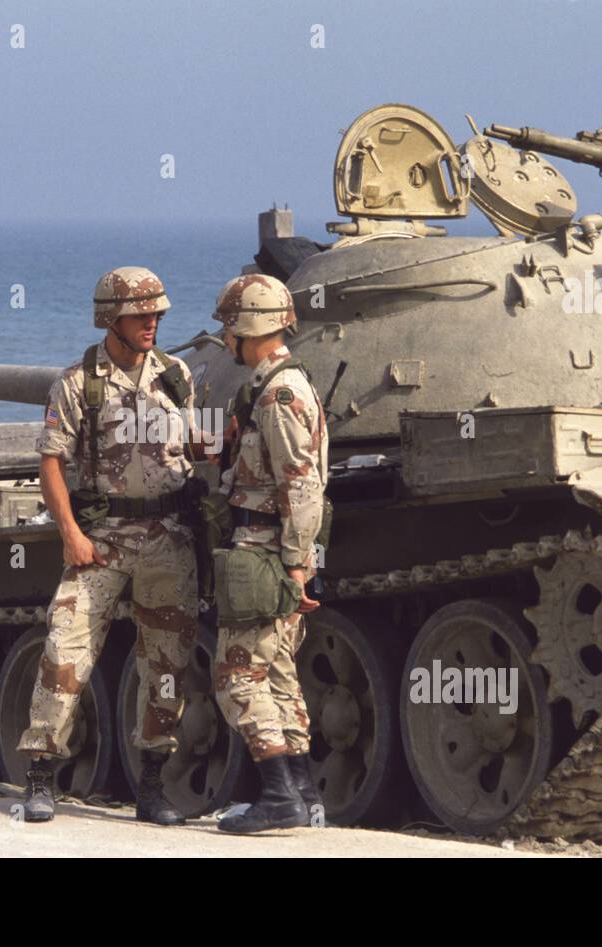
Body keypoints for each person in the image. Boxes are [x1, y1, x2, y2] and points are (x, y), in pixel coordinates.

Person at [17, 266, 203, 825]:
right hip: (103, 540)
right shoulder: (77, 384)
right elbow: (50, 461)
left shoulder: (176, 375)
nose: (152, 323)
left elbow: (190, 448)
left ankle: (151, 786)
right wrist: (70, 534)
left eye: (157, 315)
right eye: (141, 315)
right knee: (64, 652)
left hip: (169, 539)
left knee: (166, 667)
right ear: (110, 319)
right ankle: (41, 778)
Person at [210, 273, 329, 834]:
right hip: (275, 548)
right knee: (278, 672)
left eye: (229, 327)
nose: (225, 339)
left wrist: (296, 564)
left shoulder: (279, 393)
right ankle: (301, 793)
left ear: (245, 328)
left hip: (265, 550)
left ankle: (279, 795)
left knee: (237, 675)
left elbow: (301, 484)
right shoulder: (278, 385)